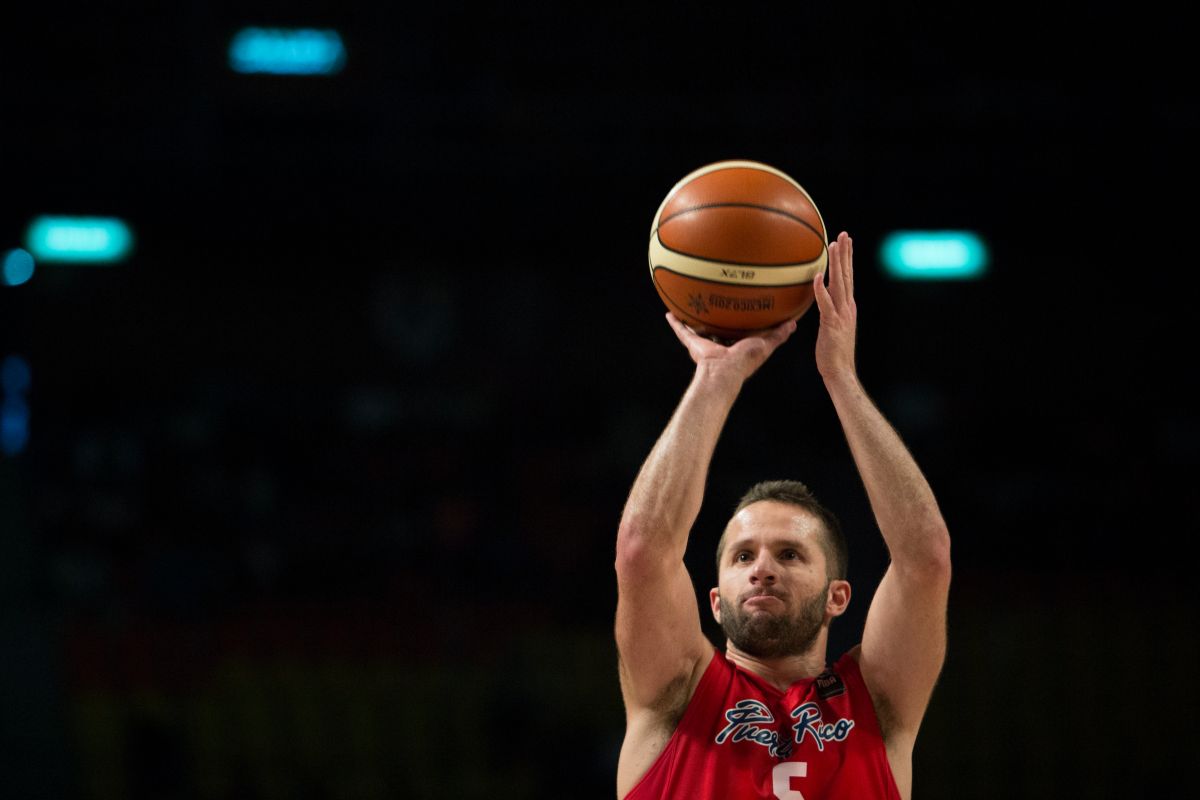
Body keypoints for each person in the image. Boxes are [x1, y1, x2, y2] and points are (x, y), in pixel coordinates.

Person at [614, 232, 951, 800]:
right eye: (743, 556)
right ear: (714, 601)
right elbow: (643, 551)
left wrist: (842, 380)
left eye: (790, 554)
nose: (762, 568)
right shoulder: (677, 694)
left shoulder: (877, 704)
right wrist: (715, 378)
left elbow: (925, 558)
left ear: (838, 597)